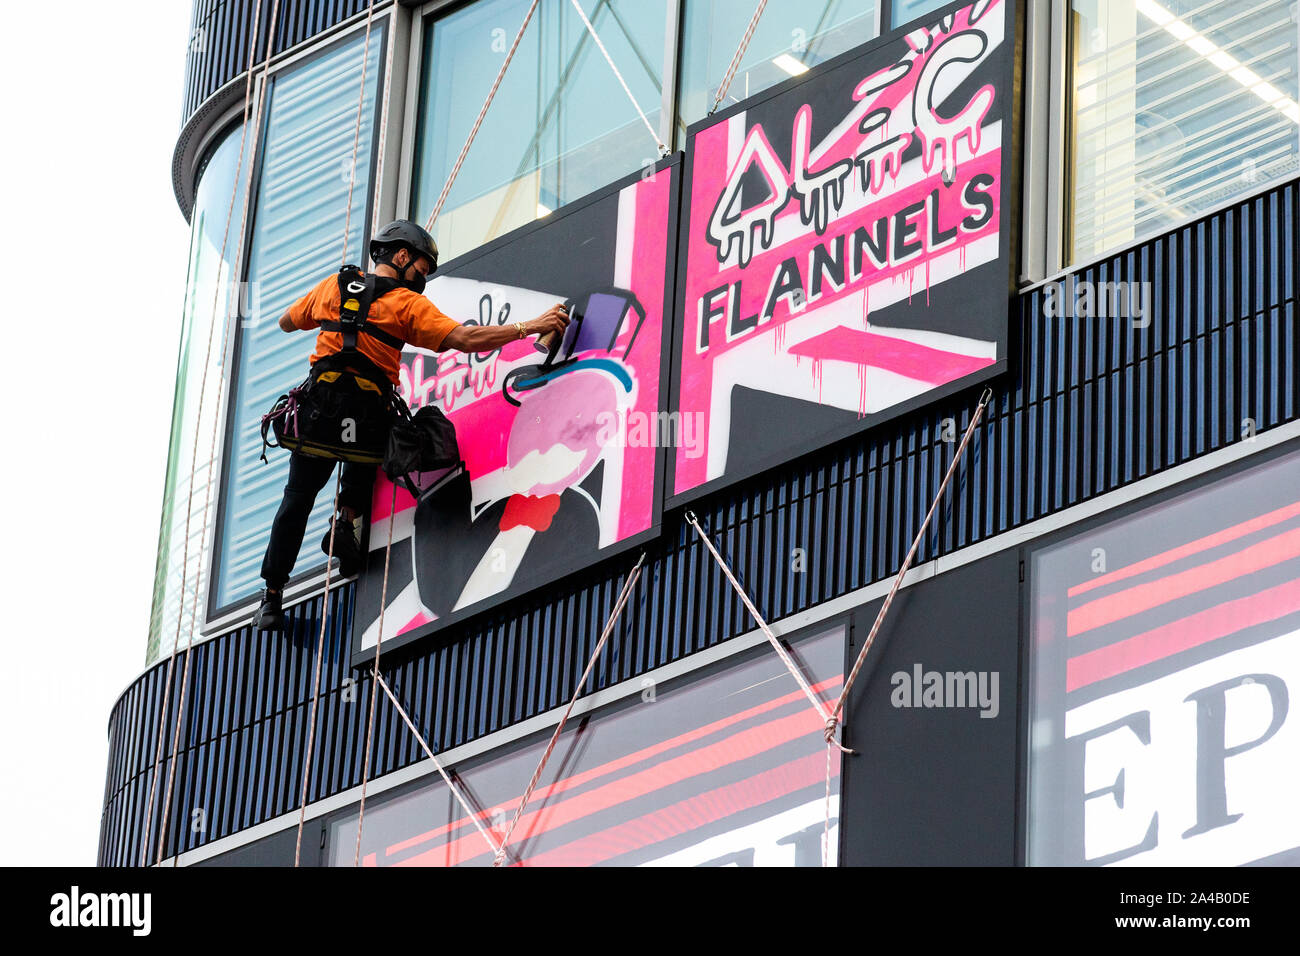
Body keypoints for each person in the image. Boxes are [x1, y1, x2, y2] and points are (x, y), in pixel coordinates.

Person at [253, 219, 570, 630]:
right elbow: (467, 340)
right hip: (367, 426)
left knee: (294, 503)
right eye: (422, 266)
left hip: (318, 419)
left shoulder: (334, 286)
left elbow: (286, 322)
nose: (423, 276)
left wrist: (334, 320)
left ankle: (272, 598)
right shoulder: (408, 306)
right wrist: (530, 327)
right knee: (377, 440)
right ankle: (348, 521)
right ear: (401, 255)